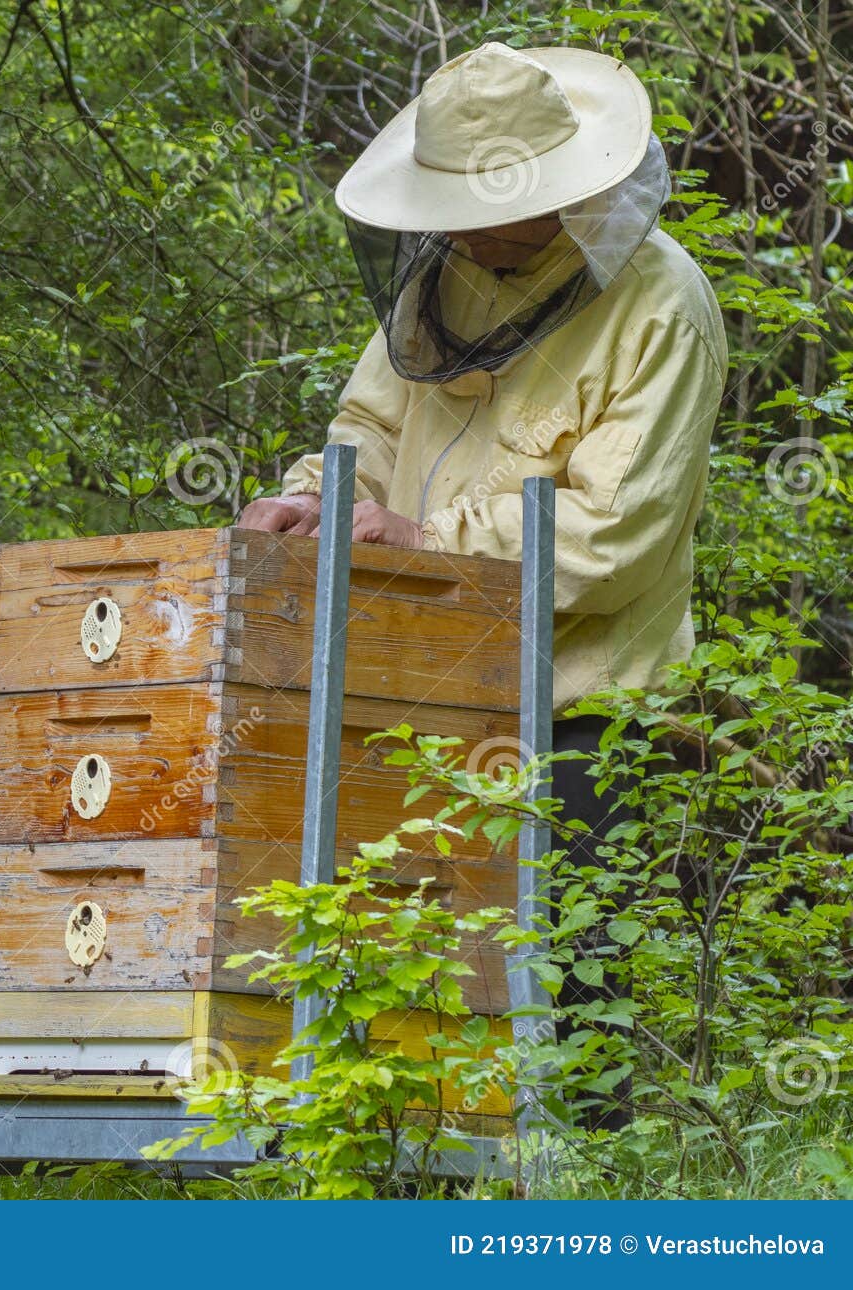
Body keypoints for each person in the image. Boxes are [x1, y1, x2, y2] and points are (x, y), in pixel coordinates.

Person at [239, 43, 727, 1127]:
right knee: (415, 991)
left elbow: (612, 542)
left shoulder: (662, 309)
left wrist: (422, 536)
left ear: (556, 195)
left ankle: (573, 1211)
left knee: (560, 990)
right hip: (420, 695)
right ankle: (413, 1199)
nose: (458, 231)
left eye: (480, 209)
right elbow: (366, 427)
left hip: (581, 710)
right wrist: (314, 502)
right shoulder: (446, 276)